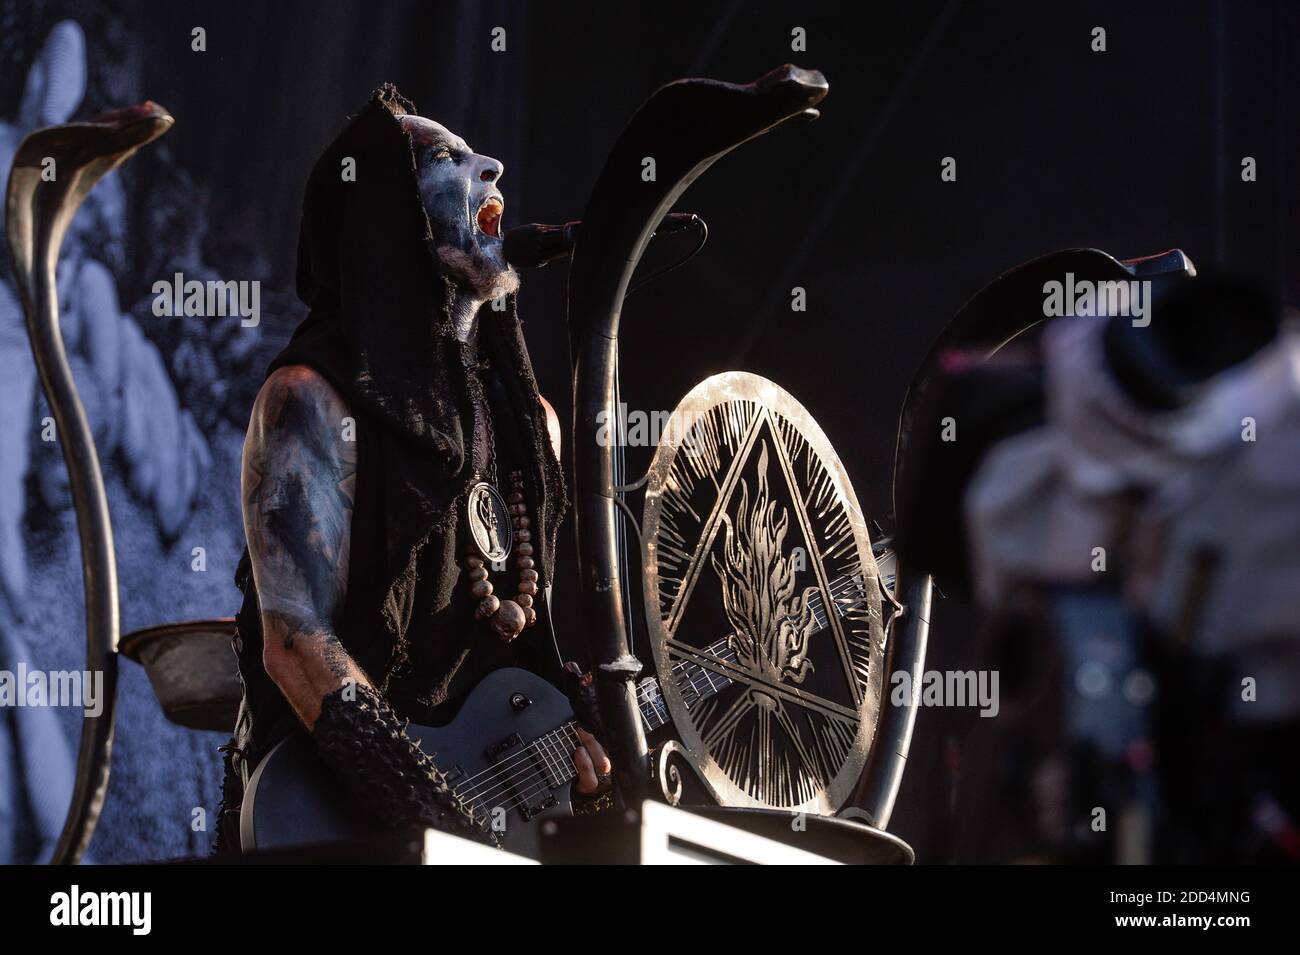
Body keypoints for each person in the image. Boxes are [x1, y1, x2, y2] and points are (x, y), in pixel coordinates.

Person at [215, 85, 610, 852]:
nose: (490, 169)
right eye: (445, 160)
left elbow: (517, 648)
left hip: (476, 826)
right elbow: (294, 641)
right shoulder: (309, 401)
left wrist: (576, 732)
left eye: (480, 156)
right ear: (386, 217)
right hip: (332, 826)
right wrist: (435, 818)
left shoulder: (533, 428)